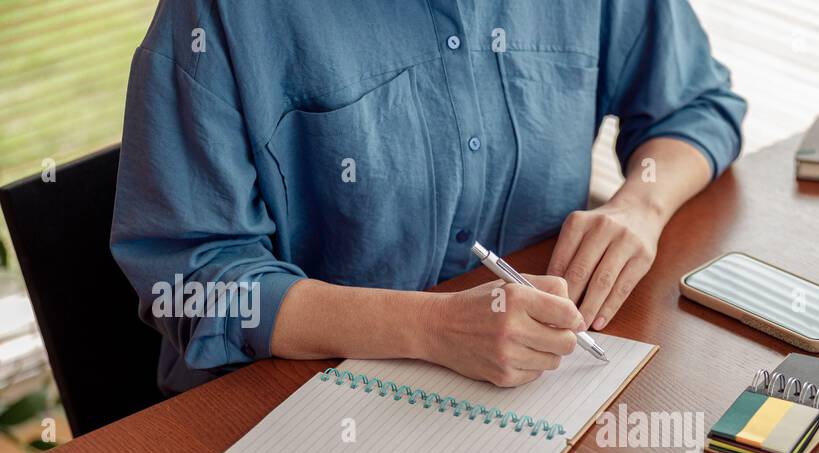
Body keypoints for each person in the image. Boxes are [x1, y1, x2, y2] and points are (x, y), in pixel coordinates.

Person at [111, 0, 746, 393]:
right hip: (294, 400)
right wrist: (435, 327)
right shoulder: (222, 14)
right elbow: (195, 280)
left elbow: (693, 106)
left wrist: (640, 205)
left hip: (534, 388)